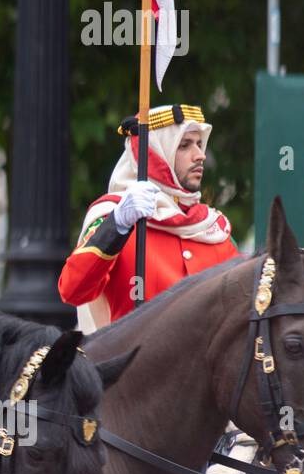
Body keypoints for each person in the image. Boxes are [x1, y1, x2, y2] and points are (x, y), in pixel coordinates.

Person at [59, 103, 238, 332]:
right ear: (155, 155)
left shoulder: (214, 229)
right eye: (184, 145)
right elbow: (73, 290)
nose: (200, 155)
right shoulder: (115, 218)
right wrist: (118, 224)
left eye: (200, 144)